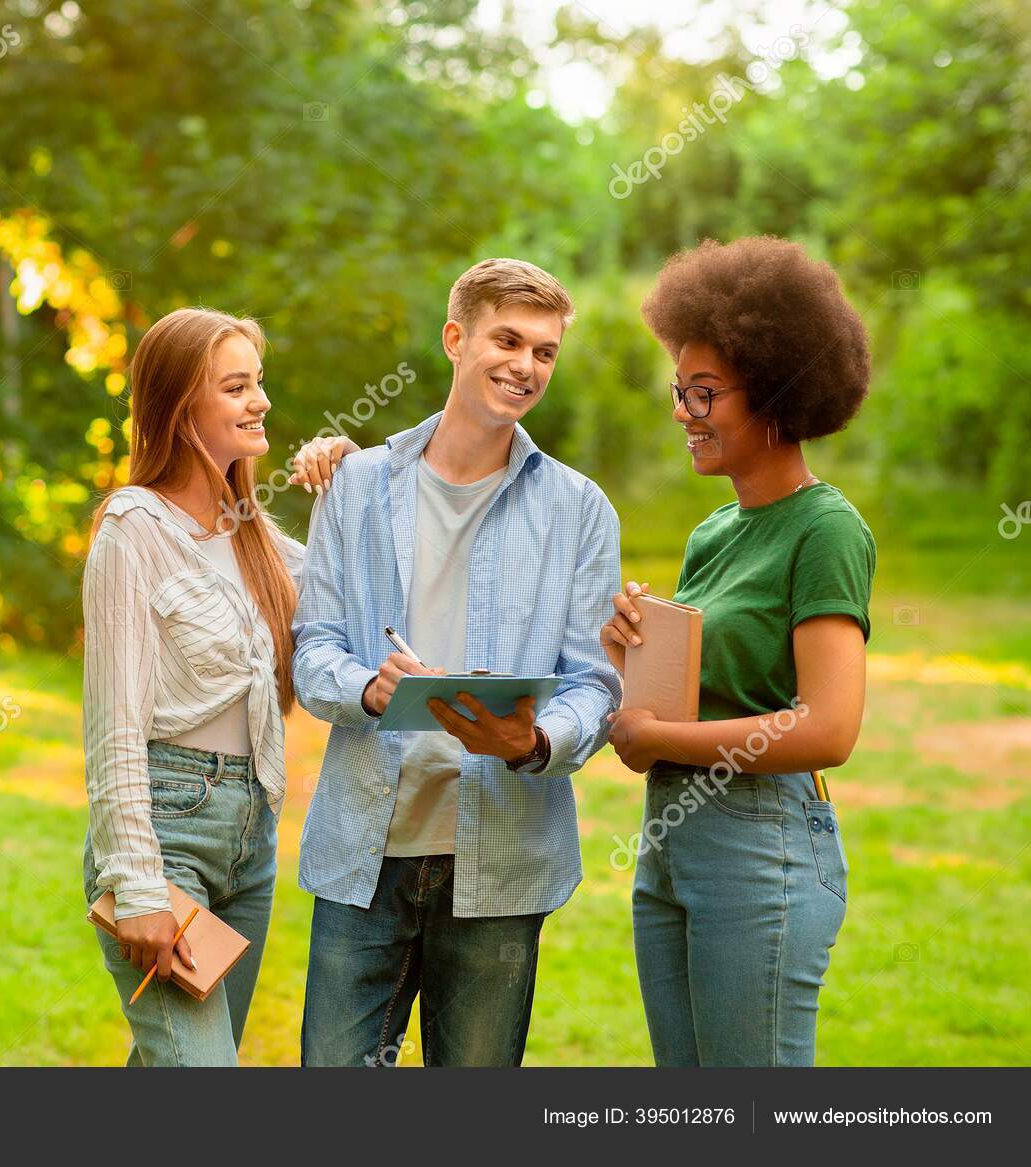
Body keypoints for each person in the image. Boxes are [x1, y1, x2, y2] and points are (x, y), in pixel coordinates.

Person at [292, 258, 621, 1067]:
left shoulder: (580, 509)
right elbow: (313, 650)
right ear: (455, 338)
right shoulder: (357, 485)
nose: (526, 366)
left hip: (503, 856)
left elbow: (596, 682)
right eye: (507, 340)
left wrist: (536, 742)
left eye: (545, 351)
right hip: (363, 853)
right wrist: (367, 687)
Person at [602, 236, 875, 1066]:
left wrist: (657, 740)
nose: (683, 411)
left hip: (763, 850)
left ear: (780, 390)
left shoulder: (826, 530)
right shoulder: (713, 532)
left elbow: (828, 730)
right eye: (680, 390)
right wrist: (631, 655)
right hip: (674, 839)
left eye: (705, 392)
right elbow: (691, 702)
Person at [81, 307, 354, 1066]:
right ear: (179, 408)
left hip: (251, 841)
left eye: (258, 382)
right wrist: (136, 885)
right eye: (236, 386)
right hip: (165, 836)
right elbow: (112, 725)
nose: (261, 400)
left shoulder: (256, 535)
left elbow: (361, 608)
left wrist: (347, 482)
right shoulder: (133, 530)